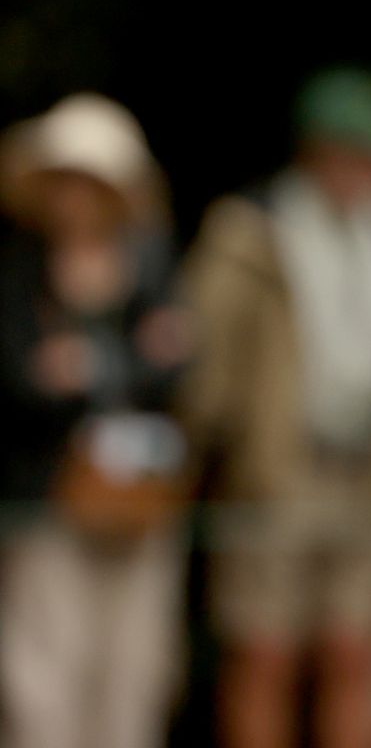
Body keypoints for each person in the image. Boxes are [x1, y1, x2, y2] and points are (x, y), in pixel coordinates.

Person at [179, 69, 371, 748]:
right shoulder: (250, 230)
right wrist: (206, 457)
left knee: (357, 651)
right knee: (265, 652)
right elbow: (204, 363)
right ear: (326, 152)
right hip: (279, 471)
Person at [0, 94, 194, 748]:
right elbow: (19, 383)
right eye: (65, 179)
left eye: (92, 181)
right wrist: (120, 362)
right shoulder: (17, 274)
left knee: (135, 670)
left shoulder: (152, 266)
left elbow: (177, 369)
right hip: (47, 500)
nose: (75, 196)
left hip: (141, 500)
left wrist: (100, 368)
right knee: (44, 669)